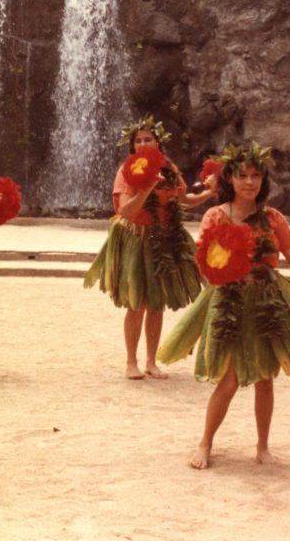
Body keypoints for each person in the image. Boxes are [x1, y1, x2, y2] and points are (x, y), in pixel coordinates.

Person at [158, 143, 290, 469]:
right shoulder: (215, 216)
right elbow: (203, 262)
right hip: (228, 300)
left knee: (264, 378)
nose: (249, 182)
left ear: (263, 180)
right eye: (242, 175)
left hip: (265, 300)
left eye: (255, 175)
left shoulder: (272, 218)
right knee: (228, 381)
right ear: (229, 178)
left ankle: (262, 447)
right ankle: (205, 443)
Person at [84, 116, 213, 380]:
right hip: (136, 239)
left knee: (156, 303)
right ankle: (131, 362)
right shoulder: (126, 172)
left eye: (148, 139)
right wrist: (146, 188)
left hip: (164, 238)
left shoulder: (169, 169)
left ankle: (151, 362)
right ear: (132, 147)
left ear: (158, 143)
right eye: (138, 140)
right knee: (137, 303)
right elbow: (126, 211)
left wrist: (210, 192)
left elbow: (183, 200)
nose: (143, 143)